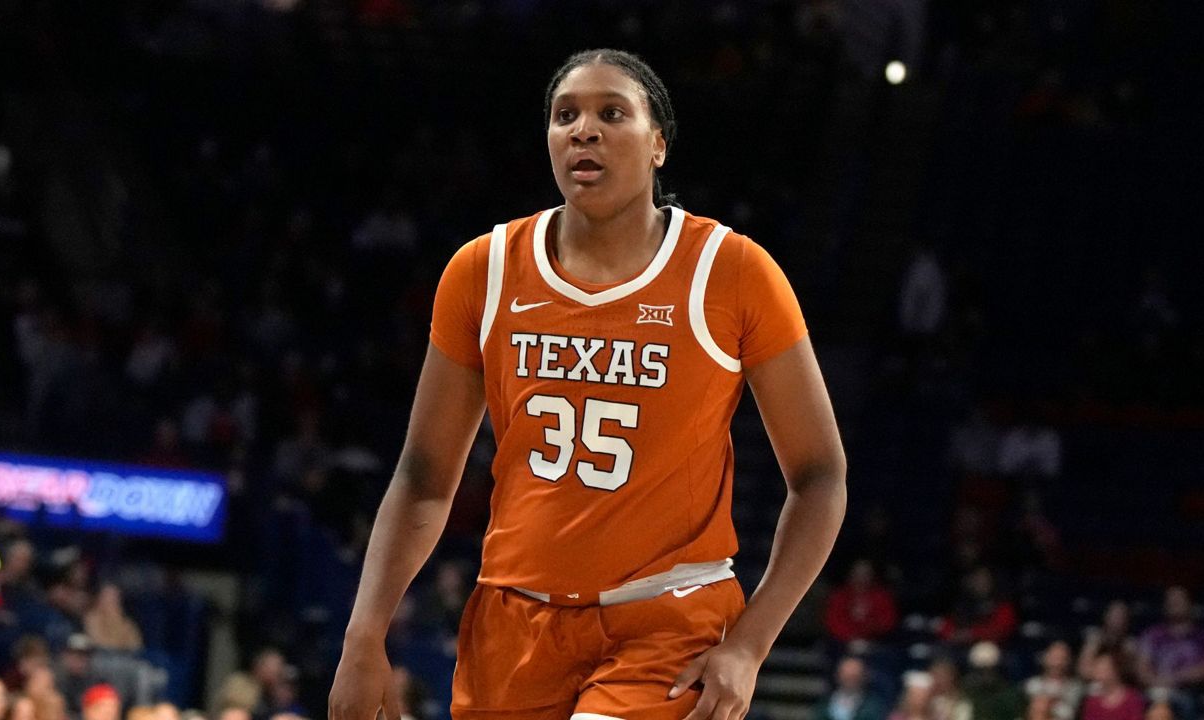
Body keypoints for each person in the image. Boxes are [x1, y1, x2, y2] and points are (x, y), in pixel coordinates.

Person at [329, 48, 848, 720]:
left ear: (659, 144)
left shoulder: (731, 271)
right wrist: (363, 635)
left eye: (612, 113)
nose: (584, 130)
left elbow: (820, 475)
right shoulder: (482, 271)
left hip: (666, 622)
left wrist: (750, 643)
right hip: (512, 625)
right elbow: (424, 476)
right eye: (564, 115)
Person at [825, 559, 899, 645]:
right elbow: (833, 622)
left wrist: (869, 631)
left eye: (866, 574)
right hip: (844, 642)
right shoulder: (839, 596)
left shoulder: (881, 595)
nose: (861, 577)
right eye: (858, 573)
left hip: (876, 641)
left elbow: (888, 620)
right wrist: (852, 638)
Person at [1024, 640, 1085, 720]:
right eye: (1054, 657)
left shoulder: (1075, 688)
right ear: (1046, 658)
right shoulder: (1032, 685)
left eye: (1062, 658)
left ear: (1069, 661)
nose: (1057, 663)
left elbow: (1069, 714)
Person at [812, 657, 888, 720]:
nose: (850, 680)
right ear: (837, 676)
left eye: (854, 676)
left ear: (864, 677)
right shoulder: (824, 703)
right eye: (846, 676)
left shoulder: (874, 706)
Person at [1081, 652, 1145, 720]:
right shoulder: (1092, 702)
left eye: (1105, 668)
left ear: (1116, 669)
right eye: (1098, 668)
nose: (1100, 671)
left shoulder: (1132, 699)